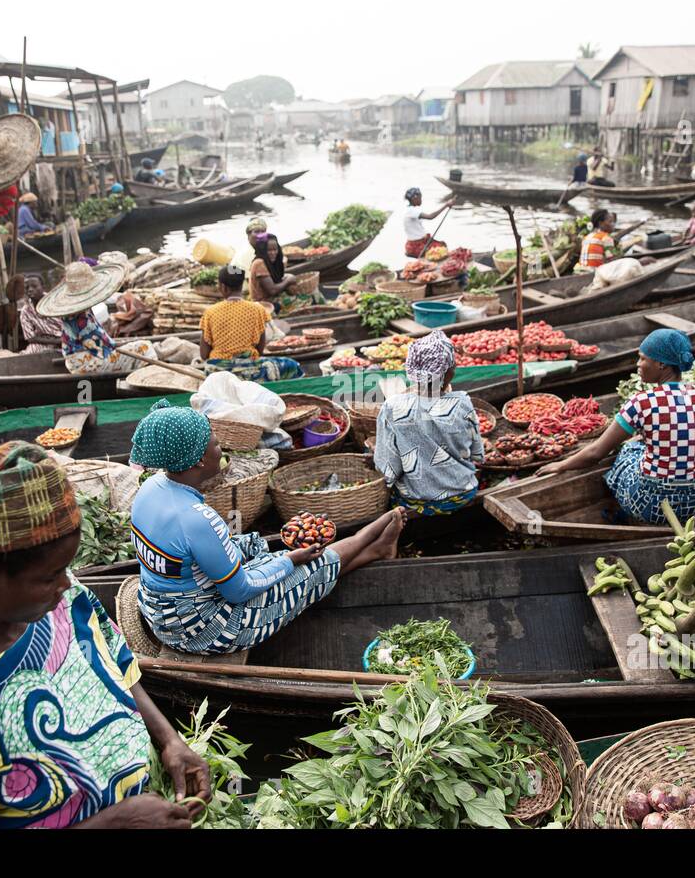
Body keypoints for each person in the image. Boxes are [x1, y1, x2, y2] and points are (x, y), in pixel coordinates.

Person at [0, 441, 210, 829]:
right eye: (50, 576)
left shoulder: (61, 603)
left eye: (66, 569)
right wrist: (109, 825)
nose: (67, 584)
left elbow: (115, 664)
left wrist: (169, 741)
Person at [128, 405, 406, 655]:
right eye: (214, 443)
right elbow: (239, 592)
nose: (220, 447)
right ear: (199, 460)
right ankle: (370, 535)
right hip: (204, 631)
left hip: (162, 615)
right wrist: (290, 560)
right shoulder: (198, 518)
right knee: (312, 566)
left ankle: (376, 548)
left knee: (252, 545)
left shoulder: (149, 489)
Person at [537, 329, 695, 524]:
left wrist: (560, 465)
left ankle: (622, 510)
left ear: (661, 364)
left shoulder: (643, 402)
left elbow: (596, 453)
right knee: (648, 448)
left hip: (654, 507)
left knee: (629, 450)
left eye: (642, 359)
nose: (638, 364)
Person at [371, 331, 483, 516]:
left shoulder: (392, 407)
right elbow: (478, 455)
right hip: (463, 494)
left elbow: (389, 470)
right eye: (453, 363)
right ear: (448, 372)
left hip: (416, 501)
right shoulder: (463, 401)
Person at [37, 261, 156, 375]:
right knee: (144, 347)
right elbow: (104, 347)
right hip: (89, 364)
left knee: (136, 346)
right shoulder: (81, 320)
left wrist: (118, 344)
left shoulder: (73, 314)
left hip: (75, 361)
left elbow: (101, 342)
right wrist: (121, 346)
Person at [199, 265, 301, 381]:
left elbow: (204, 354)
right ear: (242, 285)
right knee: (291, 365)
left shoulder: (210, 312)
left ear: (223, 287)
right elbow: (260, 350)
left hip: (219, 371)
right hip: (250, 370)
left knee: (210, 368)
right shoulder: (258, 309)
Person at [248, 231, 322, 316]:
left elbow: (276, 280)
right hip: (264, 304)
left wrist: (287, 277)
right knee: (308, 299)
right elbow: (272, 290)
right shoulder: (259, 263)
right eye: (269, 250)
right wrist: (288, 281)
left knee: (312, 292)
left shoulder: (269, 262)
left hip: (273, 298)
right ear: (262, 250)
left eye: (275, 249)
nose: (273, 253)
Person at [11, 273, 64, 354]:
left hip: (64, 339)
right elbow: (31, 338)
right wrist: (54, 342)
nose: (30, 290)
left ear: (43, 287)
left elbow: (68, 327)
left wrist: (62, 340)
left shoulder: (56, 303)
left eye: (34, 286)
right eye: (27, 288)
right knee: (29, 354)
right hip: (41, 342)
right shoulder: (25, 311)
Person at [402, 187, 452, 258]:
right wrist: (446, 205)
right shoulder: (410, 211)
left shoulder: (412, 210)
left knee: (442, 245)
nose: (421, 200)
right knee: (437, 252)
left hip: (422, 241)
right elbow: (430, 216)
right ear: (414, 198)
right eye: (420, 198)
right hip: (415, 245)